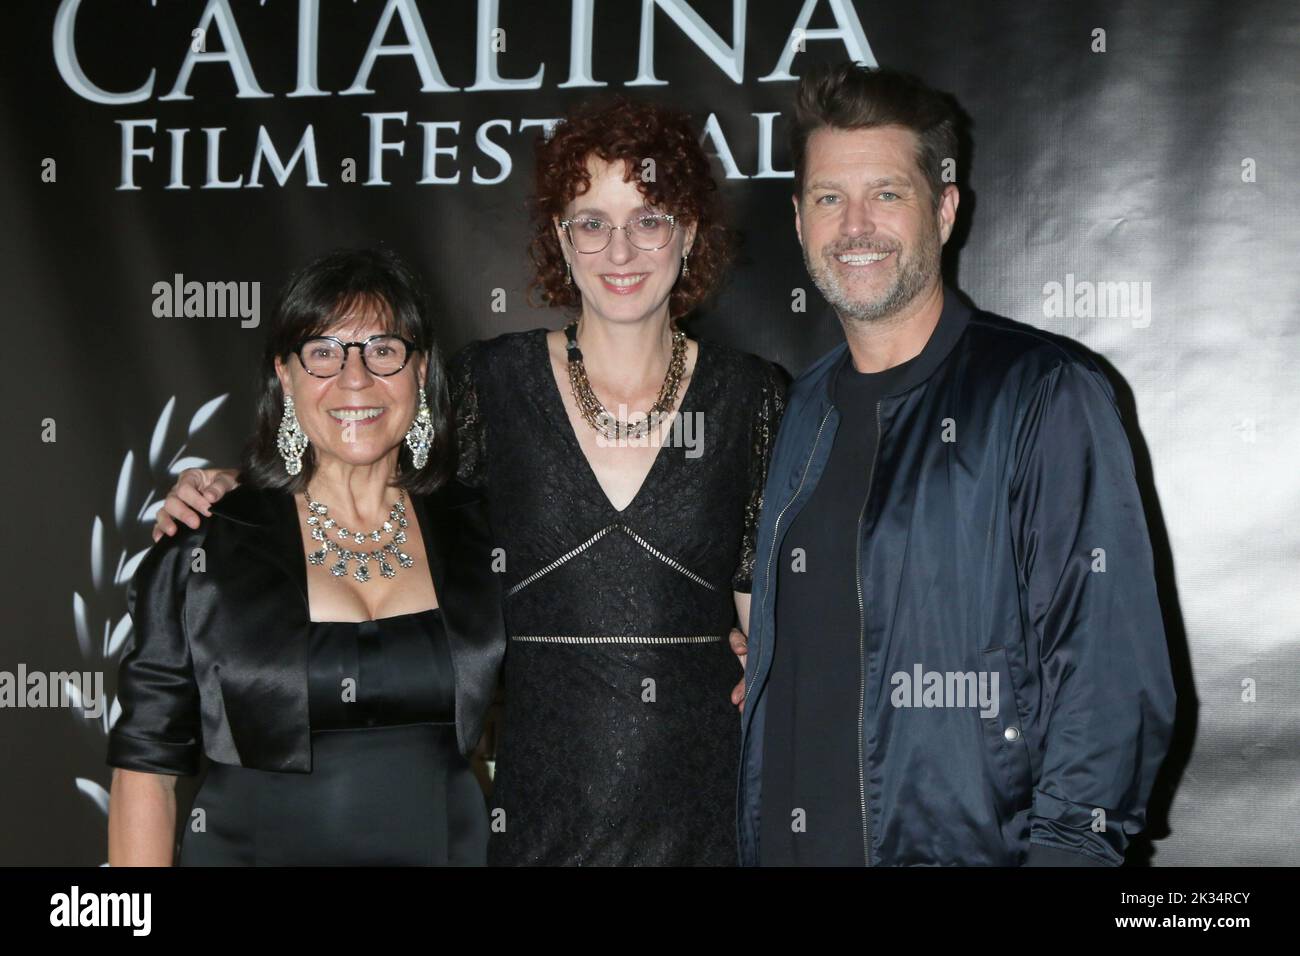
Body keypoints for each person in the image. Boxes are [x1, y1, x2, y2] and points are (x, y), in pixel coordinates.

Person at [153, 97, 786, 865]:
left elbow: (771, 621)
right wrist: (238, 490)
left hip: (703, 818)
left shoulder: (756, 399)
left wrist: (780, 662)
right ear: (561, 235)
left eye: (649, 218)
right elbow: (363, 464)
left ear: (687, 233)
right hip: (529, 822)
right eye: (591, 221)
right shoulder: (489, 386)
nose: (620, 249)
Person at [734, 63, 1176, 866]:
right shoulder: (801, 412)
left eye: (887, 194)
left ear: (944, 209)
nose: (855, 226)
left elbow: (1109, 680)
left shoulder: (1043, 393)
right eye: (830, 198)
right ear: (799, 222)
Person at [108, 248, 506, 865]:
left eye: (383, 350)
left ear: (420, 372)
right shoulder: (203, 545)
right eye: (323, 352)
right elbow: (146, 770)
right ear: (285, 377)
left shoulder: (483, 533)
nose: (355, 379)